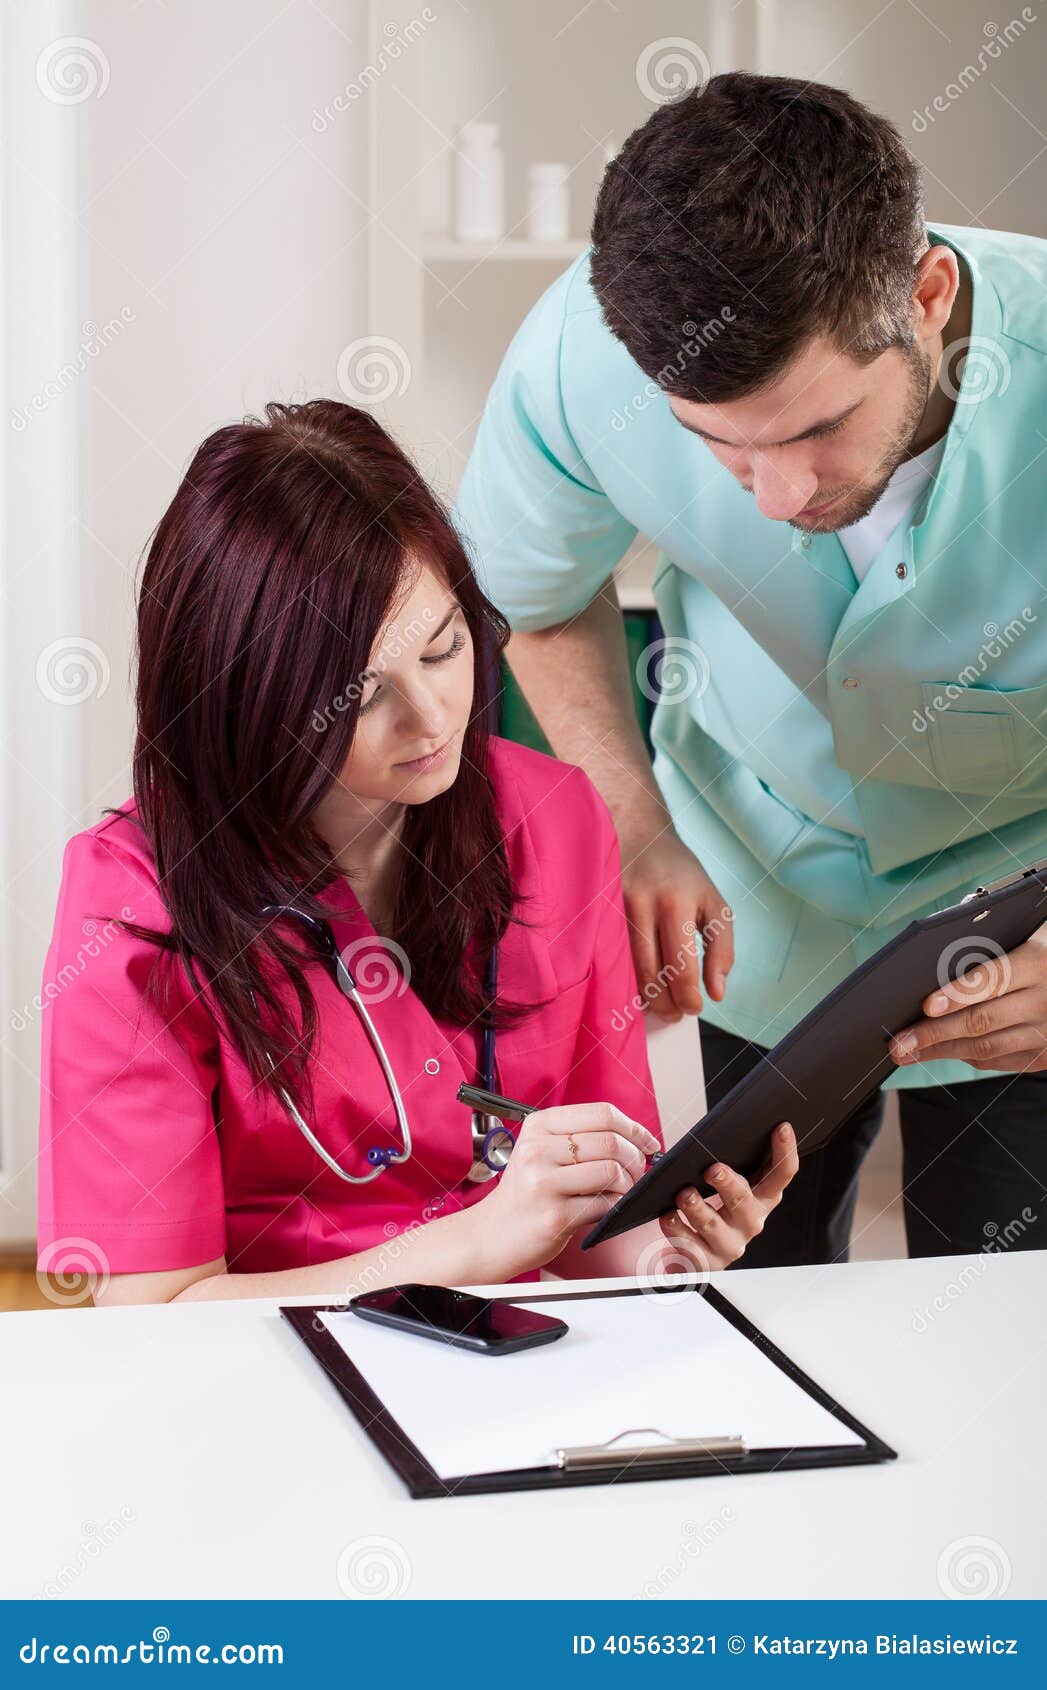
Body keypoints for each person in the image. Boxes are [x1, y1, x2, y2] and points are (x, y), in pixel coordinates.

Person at [454, 72, 1047, 1267]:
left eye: (815, 428)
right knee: (748, 1291)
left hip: (1023, 889)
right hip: (758, 875)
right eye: (715, 446)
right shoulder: (586, 354)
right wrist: (633, 825)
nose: (781, 498)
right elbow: (533, 599)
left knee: (1006, 1298)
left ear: (926, 299)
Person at [36, 399, 797, 1305]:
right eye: (360, 698)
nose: (434, 720)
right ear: (248, 698)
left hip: (522, 1365)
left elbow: (596, 1223)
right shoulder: (131, 905)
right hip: (266, 1389)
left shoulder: (555, 818)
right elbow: (151, 1312)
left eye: (443, 650)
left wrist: (673, 1245)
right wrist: (474, 1245)